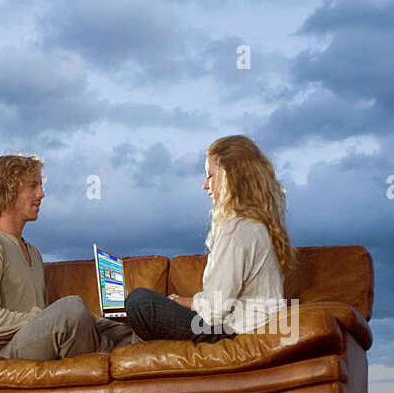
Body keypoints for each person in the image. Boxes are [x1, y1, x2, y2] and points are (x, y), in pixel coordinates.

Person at [0, 153, 138, 359]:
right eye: (33, 186)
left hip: (30, 338)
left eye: (40, 186)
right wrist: (44, 317)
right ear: (6, 190)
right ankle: (105, 355)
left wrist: (99, 322)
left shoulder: (32, 251)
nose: (41, 194)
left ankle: (114, 354)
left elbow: (45, 322)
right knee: (72, 309)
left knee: (130, 324)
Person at [125, 136, 295, 342]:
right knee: (145, 309)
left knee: (138, 301)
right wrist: (180, 302)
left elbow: (214, 311)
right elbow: (220, 301)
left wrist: (177, 303)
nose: (205, 186)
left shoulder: (238, 229)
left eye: (210, 176)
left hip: (233, 331)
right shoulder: (256, 224)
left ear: (231, 176)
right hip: (245, 325)